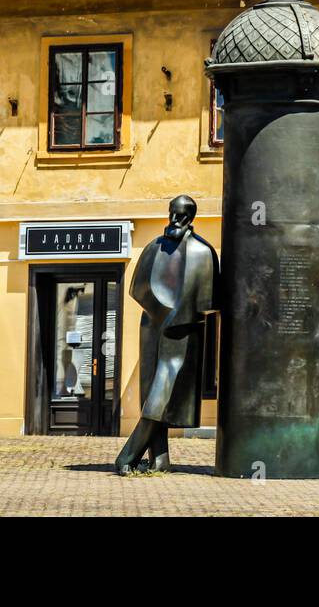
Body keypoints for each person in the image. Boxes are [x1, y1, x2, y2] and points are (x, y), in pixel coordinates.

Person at [115, 195, 217, 474]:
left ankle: (128, 456)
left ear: (190, 218)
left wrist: (175, 314)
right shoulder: (153, 247)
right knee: (151, 391)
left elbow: (207, 300)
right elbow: (137, 286)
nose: (174, 220)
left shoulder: (202, 252)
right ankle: (160, 459)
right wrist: (158, 310)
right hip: (152, 326)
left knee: (163, 392)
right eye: (172, 213)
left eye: (181, 215)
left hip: (182, 330)